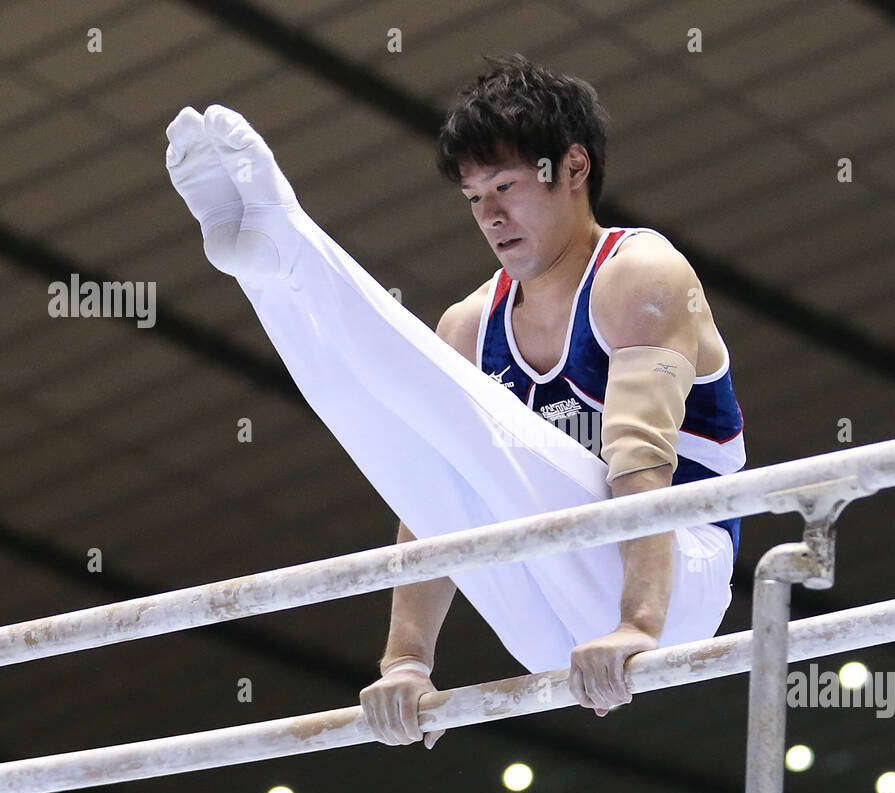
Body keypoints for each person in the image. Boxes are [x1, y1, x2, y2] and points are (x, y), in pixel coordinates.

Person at [164, 53, 745, 751]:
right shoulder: (471, 325)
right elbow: (429, 501)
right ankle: (268, 278)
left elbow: (641, 465)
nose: (491, 216)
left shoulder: (640, 275)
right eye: (474, 198)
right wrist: (406, 661)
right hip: (546, 630)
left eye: (505, 187)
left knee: (459, 419)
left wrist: (638, 624)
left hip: (675, 581)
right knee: (409, 439)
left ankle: (289, 245)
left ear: (573, 168)